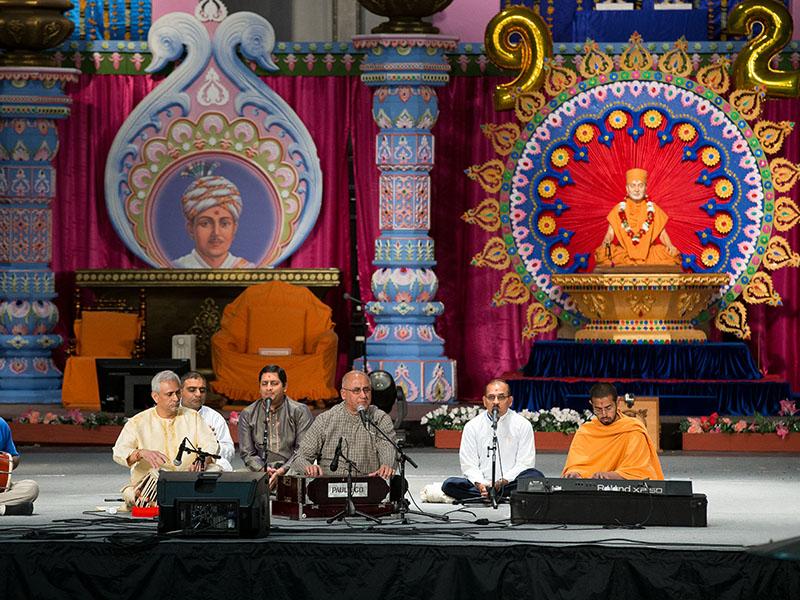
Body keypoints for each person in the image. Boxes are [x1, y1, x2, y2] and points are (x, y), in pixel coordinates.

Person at [112, 370, 220, 507]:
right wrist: (140, 453)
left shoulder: (193, 417)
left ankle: (164, 501)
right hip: (155, 480)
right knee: (135, 490)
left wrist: (202, 460)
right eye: (169, 394)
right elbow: (119, 451)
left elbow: (210, 443)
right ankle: (145, 497)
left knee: (215, 470)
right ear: (155, 397)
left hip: (189, 477)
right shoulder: (138, 422)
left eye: (178, 393)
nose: (176, 398)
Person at [442, 379, 543, 502]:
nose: (496, 402)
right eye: (491, 397)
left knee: (535, 477)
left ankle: (492, 495)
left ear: (510, 401)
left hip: (509, 483)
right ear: (484, 401)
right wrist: (481, 484)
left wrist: (503, 481)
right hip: (482, 484)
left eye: (501, 397)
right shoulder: (472, 426)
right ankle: (494, 495)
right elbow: (468, 464)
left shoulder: (522, 425)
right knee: (449, 484)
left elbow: (525, 463)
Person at [290, 370, 395, 479]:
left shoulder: (380, 419)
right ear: (343, 394)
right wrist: (308, 467)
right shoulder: (325, 420)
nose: (363, 395)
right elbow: (300, 458)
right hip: (330, 485)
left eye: (366, 390)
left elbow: (388, 449)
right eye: (356, 391)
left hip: (370, 483)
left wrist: (386, 466)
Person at [562, 382, 664, 480]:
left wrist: (610, 476)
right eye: (598, 409)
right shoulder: (586, 431)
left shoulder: (632, 429)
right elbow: (576, 466)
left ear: (617, 402)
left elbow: (637, 471)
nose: (604, 414)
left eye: (608, 408)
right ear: (591, 404)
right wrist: (575, 473)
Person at [238, 365, 313, 489]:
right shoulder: (248, 413)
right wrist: (263, 469)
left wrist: (282, 470)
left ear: (285, 387)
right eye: (264, 384)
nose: (268, 388)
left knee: (302, 475)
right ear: (259, 387)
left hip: (291, 469)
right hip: (259, 470)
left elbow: (302, 450)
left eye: (274, 383)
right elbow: (247, 453)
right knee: (236, 478)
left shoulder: (299, 411)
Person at [173, 163, 255, 269]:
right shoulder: (176, 268)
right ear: (191, 229)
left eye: (224, 224)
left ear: (234, 228)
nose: (216, 233)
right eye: (205, 223)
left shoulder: (248, 269)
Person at [594, 168, 681, 267]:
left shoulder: (653, 209)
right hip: (624, 254)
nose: (636, 189)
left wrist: (670, 245)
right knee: (603, 254)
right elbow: (610, 233)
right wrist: (606, 242)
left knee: (670, 255)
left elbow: (662, 234)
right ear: (627, 188)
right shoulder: (619, 209)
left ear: (646, 188)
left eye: (640, 185)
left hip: (649, 255)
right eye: (633, 185)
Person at [180, 371, 235, 472]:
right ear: (180, 392)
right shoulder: (171, 413)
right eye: (192, 390)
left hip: (206, 469)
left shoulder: (214, 417)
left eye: (202, 390)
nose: (198, 394)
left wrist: (214, 444)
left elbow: (230, 453)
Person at [0, 417, 39, 516]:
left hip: (1, 487)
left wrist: (6, 462)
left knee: (31, 487)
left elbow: (14, 457)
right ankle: (3, 509)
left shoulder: (1, 424)